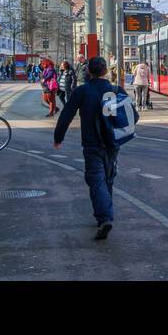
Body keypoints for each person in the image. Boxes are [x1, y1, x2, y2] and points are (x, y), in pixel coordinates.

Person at [53, 55, 130, 240]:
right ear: (105, 71)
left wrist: (58, 137)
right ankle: (105, 214)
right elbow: (131, 115)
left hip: (92, 143)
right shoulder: (114, 90)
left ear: (89, 71)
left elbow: (66, 115)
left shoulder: (82, 91)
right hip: (112, 143)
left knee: (96, 180)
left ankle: (104, 218)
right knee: (108, 178)